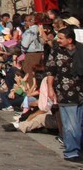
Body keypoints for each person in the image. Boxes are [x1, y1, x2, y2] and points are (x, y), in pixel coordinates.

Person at [45, 26, 83, 161]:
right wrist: (50, 88)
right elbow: (50, 70)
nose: (58, 40)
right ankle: (72, 151)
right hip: (66, 92)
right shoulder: (56, 51)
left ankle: (78, 149)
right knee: (71, 125)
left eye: (61, 38)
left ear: (70, 39)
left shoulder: (81, 50)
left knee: (79, 124)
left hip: (81, 91)